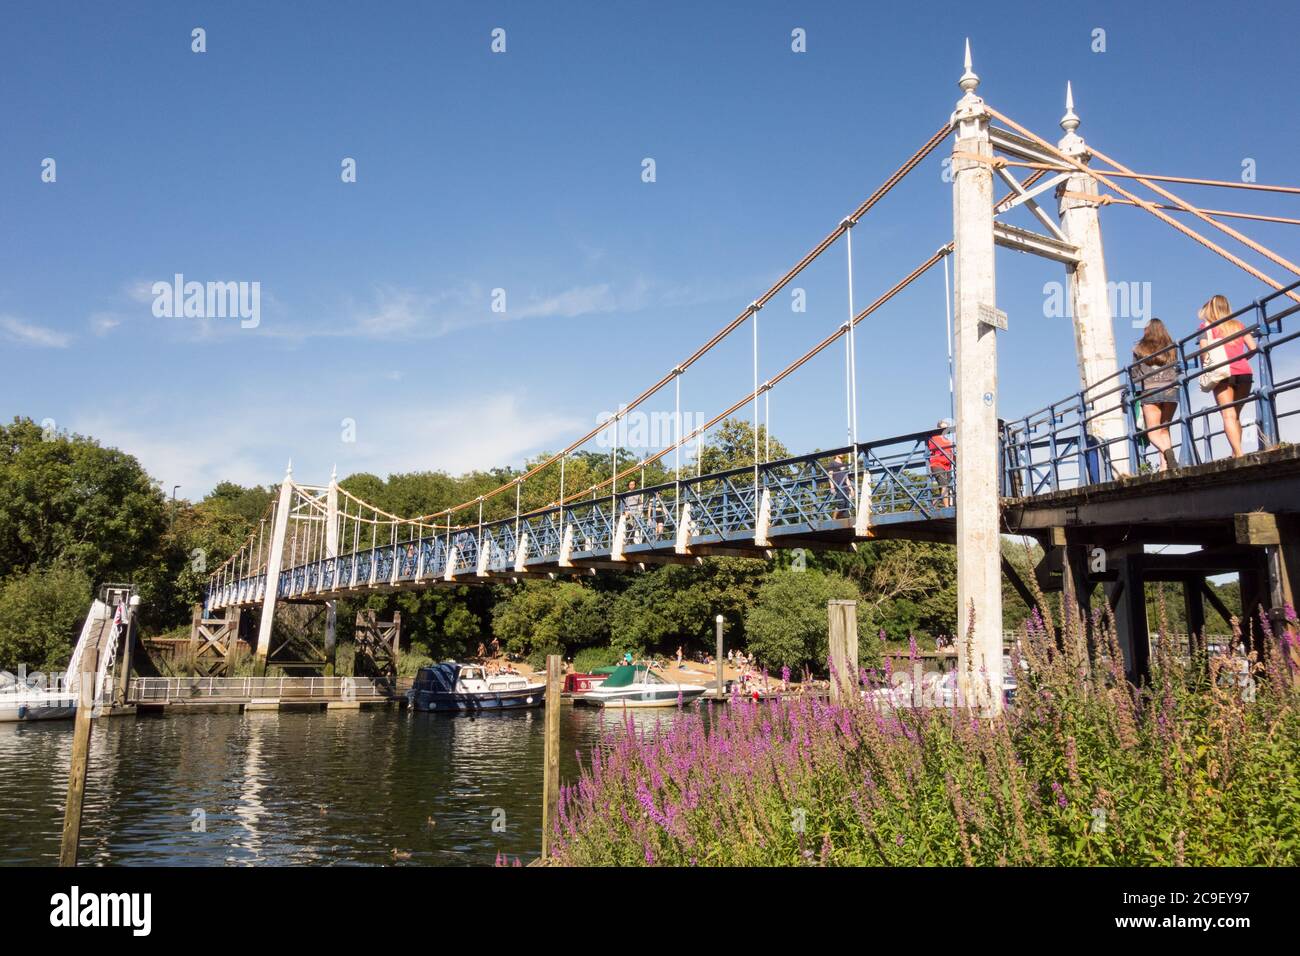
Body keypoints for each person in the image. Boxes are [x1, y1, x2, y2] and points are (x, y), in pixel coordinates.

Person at [1198, 295, 1259, 458]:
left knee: (1228, 415)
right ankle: (1235, 451)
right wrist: (1240, 359)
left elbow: (1204, 355)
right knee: (1236, 415)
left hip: (1222, 373)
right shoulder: (1239, 325)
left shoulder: (1206, 327)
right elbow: (1253, 347)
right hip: (1245, 373)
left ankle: (1238, 453)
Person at [1131, 319, 1180, 472]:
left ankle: (1167, 452)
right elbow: (1177, 367)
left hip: (1151, 390)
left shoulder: (1139, 348)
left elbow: (1134, 374)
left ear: (1147, 331)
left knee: (1152, 433)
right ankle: (1166, 466)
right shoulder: (1172, 347)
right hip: (1171, 389)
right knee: (1164, 430)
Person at [927, 419, 955, 506]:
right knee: (944, 486)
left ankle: (933, 504)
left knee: (946, 487)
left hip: (947, 467)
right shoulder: (933, 438)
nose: (944, 430)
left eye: (946, 428)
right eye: (941, 428)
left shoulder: (948, 441)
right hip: (937, 464)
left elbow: (951, 454)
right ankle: (947, 507)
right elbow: (930, 449)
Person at [827, 454, 853, 519]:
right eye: (840, 453)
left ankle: (844, 519)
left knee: (846, 505)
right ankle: (834, 518)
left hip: (845, 487)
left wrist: (851, 488)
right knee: (841, 503)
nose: (842, 454)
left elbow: (846, 477)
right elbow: (830, 476)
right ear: (836, 455)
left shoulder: (844, 464)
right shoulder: (832, 463)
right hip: (838, 486)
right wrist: (832, 486)